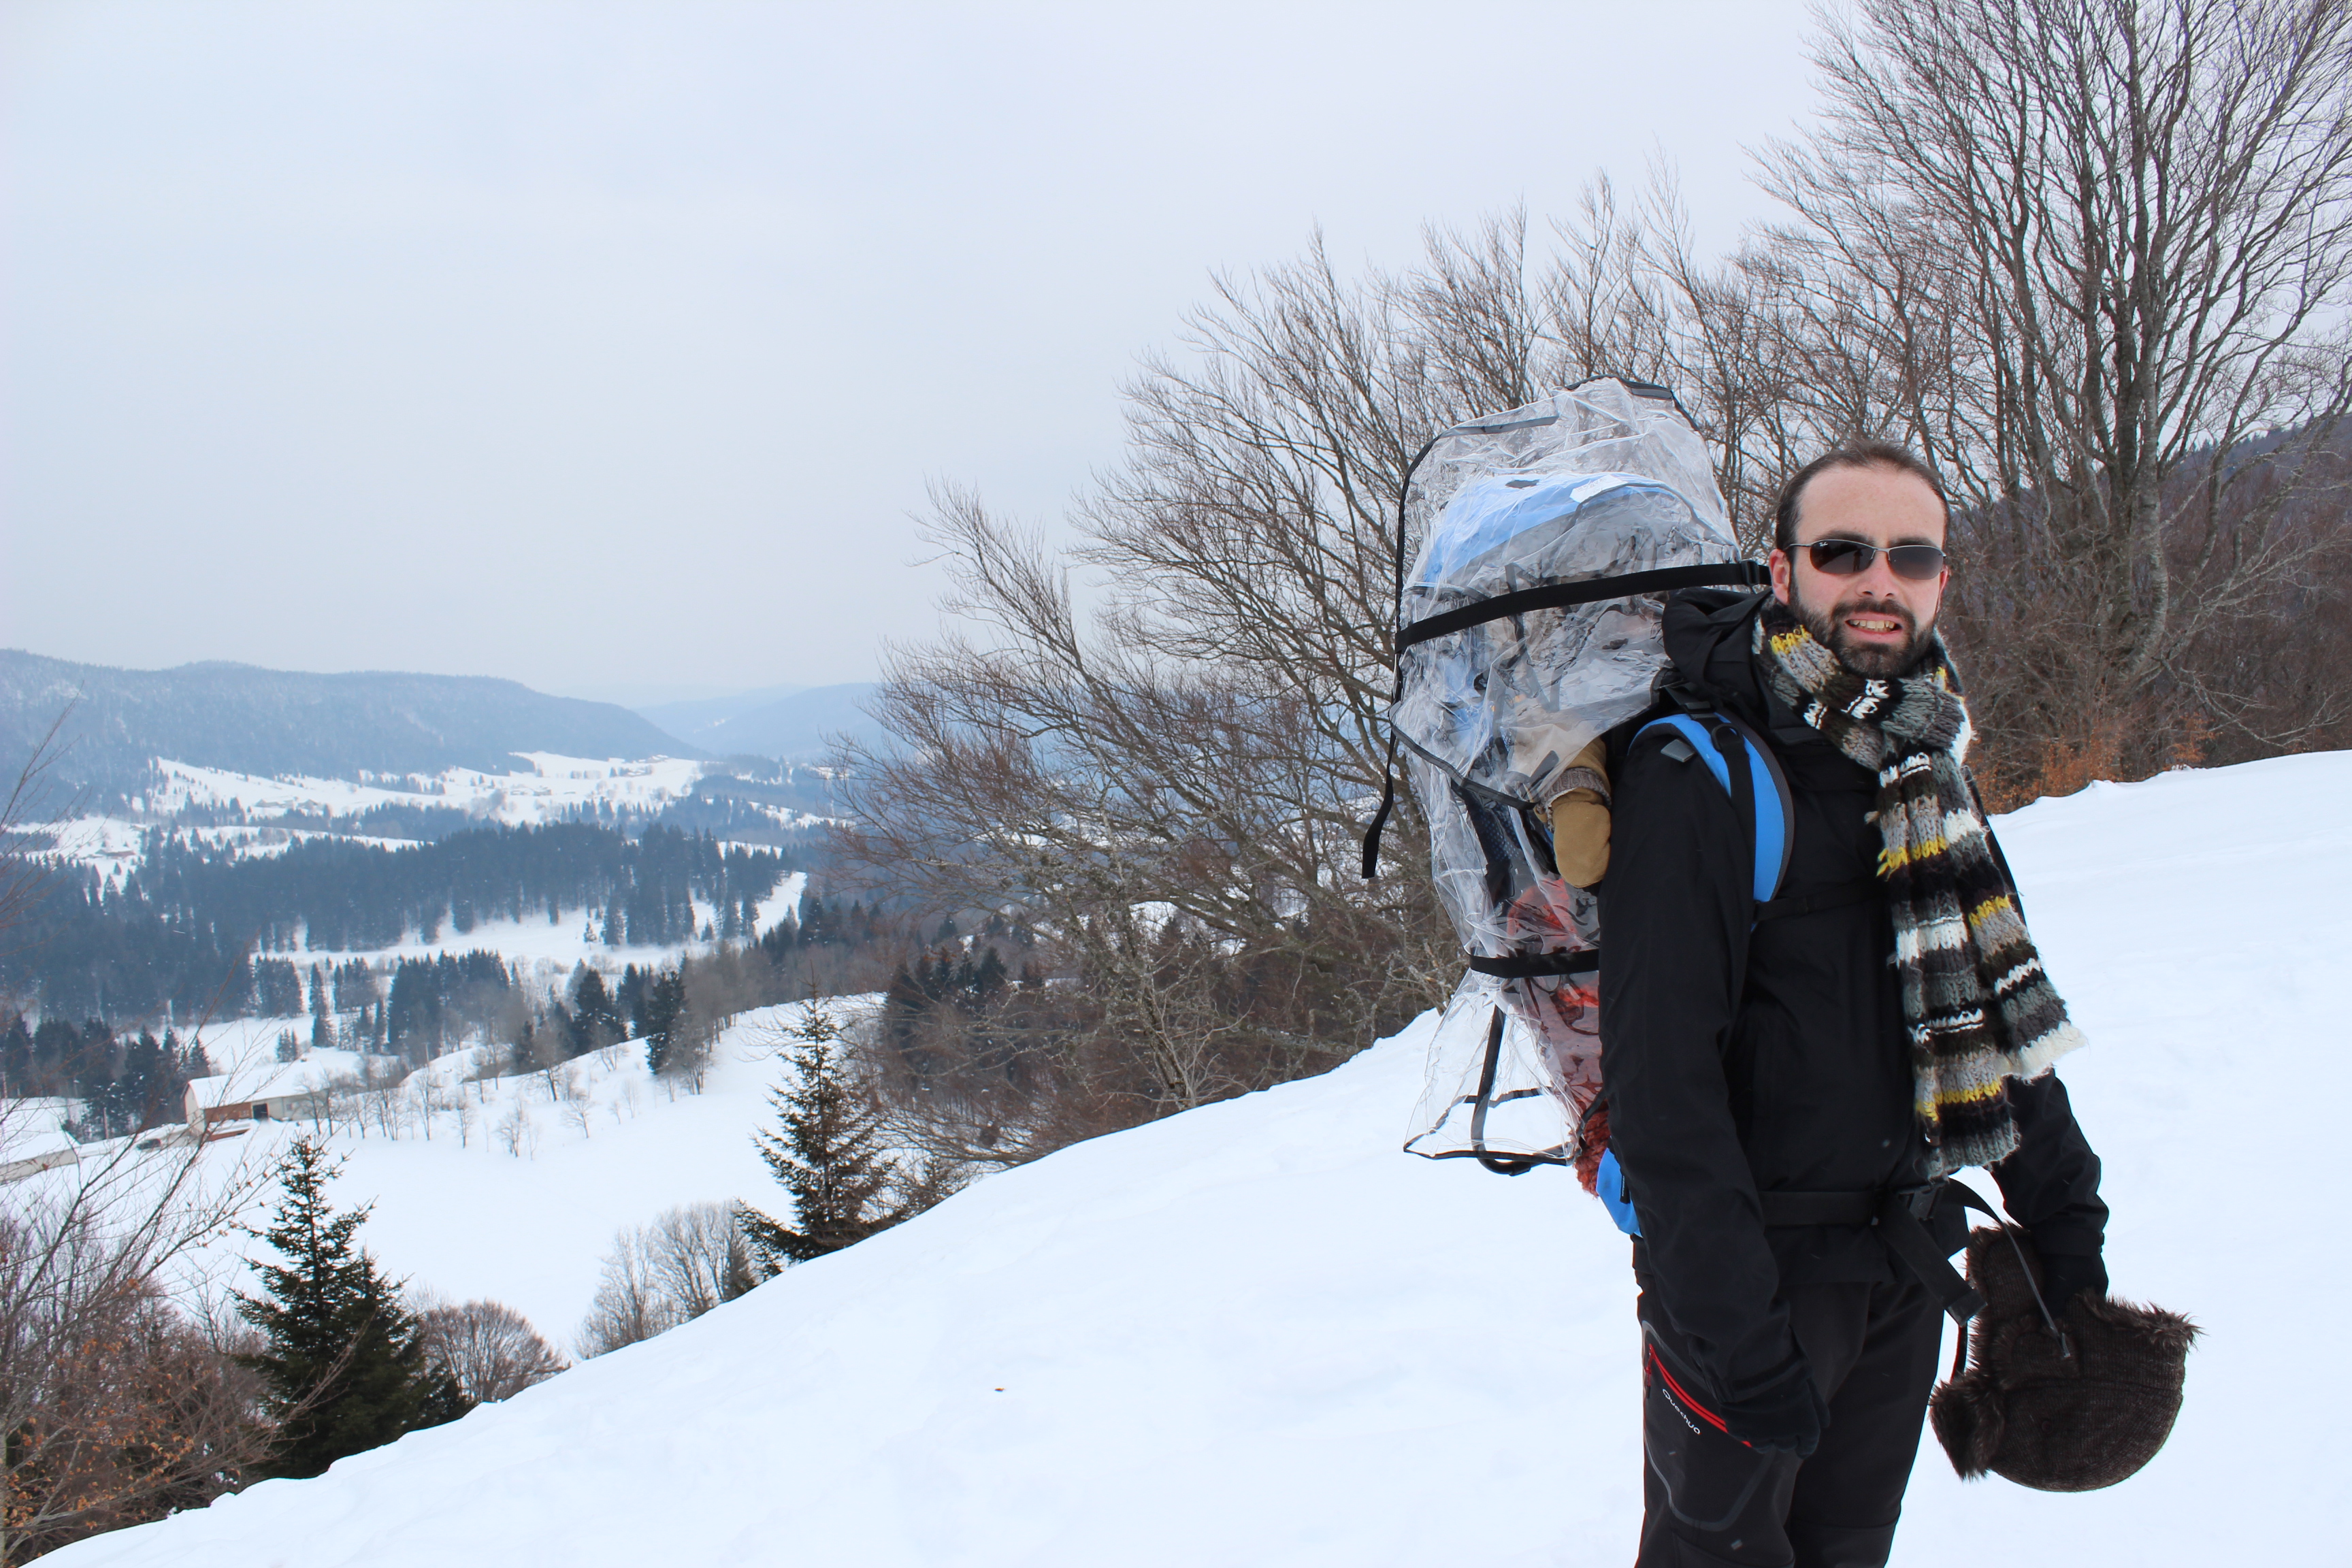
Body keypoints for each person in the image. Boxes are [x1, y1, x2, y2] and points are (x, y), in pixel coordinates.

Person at [1597, 442, 2110, 1568]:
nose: (1879, 579)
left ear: (1940, 582)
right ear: (1783, 575)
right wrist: (1734, 1334)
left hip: (1904, 1259)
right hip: (1751, 1278)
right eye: (1843, 551)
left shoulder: (1926, 764)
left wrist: (2067, 1227)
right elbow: (1662, 1088)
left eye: (1910, 554)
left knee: (1849, 1551)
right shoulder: (1703, 772)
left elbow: (1998, 1015)